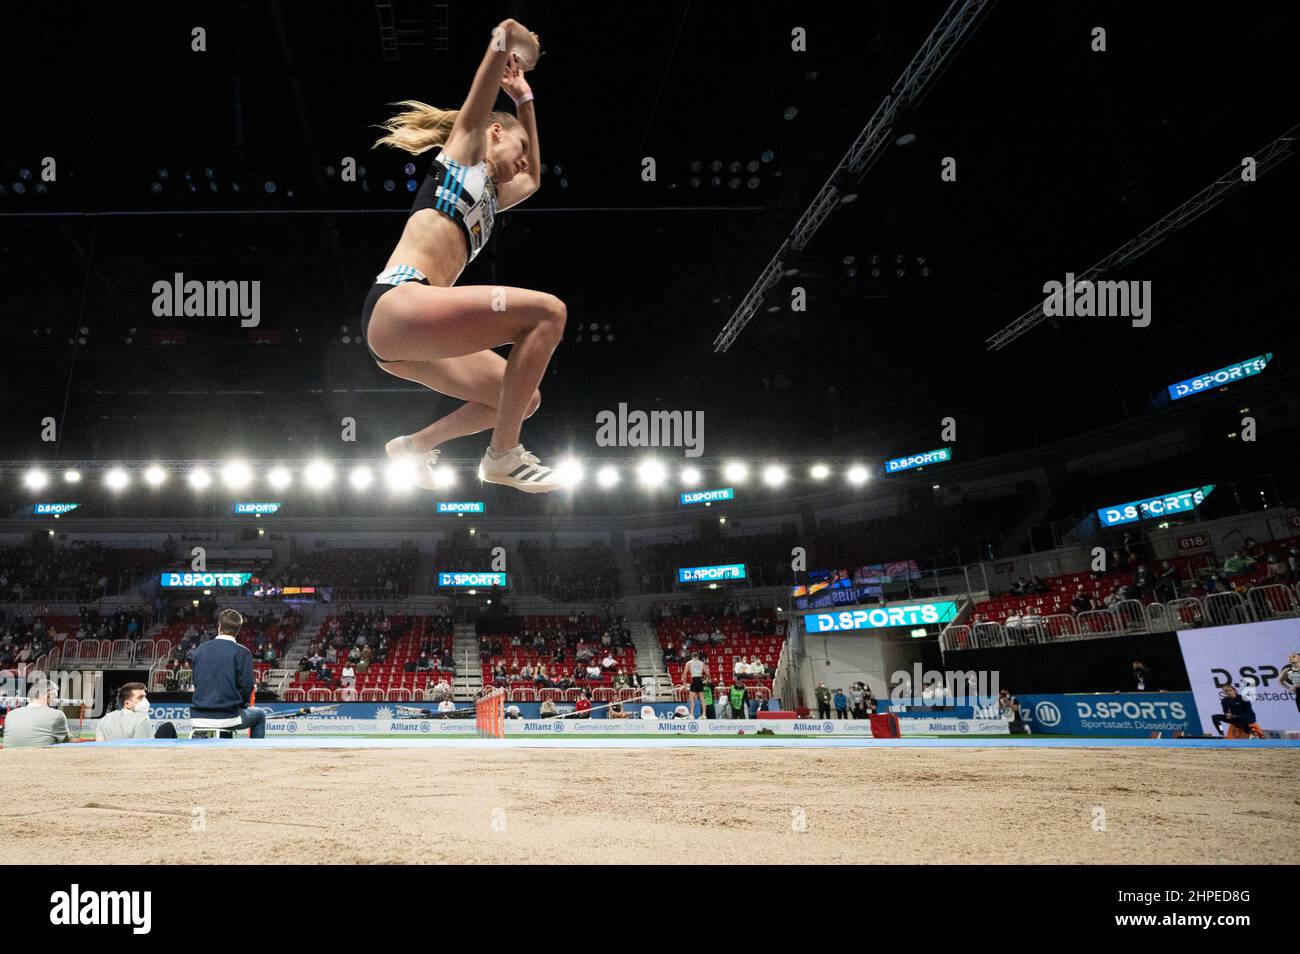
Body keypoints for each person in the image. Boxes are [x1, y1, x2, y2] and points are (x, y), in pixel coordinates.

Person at [366, 19, 565, 494]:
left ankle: (415, 446)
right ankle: (503, 455)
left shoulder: (492, 198)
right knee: (548, 313)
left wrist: (526, 101)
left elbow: (535, 178)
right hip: (399, 301)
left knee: (520, 397)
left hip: (410, 332)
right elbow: (499, 38)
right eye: (518, 147)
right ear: (494, 132)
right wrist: (511, 37)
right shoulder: (465, 151)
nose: (522, 161)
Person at [191, 608, 268, 739]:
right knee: (260, 715)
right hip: (228, 716)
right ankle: (256, 755)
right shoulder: (242, 652)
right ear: (238, 630)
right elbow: (247, 687)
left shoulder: (200, 649)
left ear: (219, 626)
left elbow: (196, 681)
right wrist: (241, 705)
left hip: (198, 715)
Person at [2, 682, 71, 747]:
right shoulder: (57, 715)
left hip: (9, 757)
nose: (55, 700)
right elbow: (66, 743)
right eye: (55, 697)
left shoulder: (11, 714)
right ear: (47, 696)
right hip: (42, 757)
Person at [683, 652, 709, 720]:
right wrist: (708, 680)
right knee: (702, 699)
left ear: (692, 656)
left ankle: (691, 715)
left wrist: (684, 683)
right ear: (698, 656)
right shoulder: (701, 663)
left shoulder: (689, 663)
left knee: (692, 698)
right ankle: (704, 715)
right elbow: (707, 673)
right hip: (700, 680)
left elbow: (684, 674)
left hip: (694, 680)